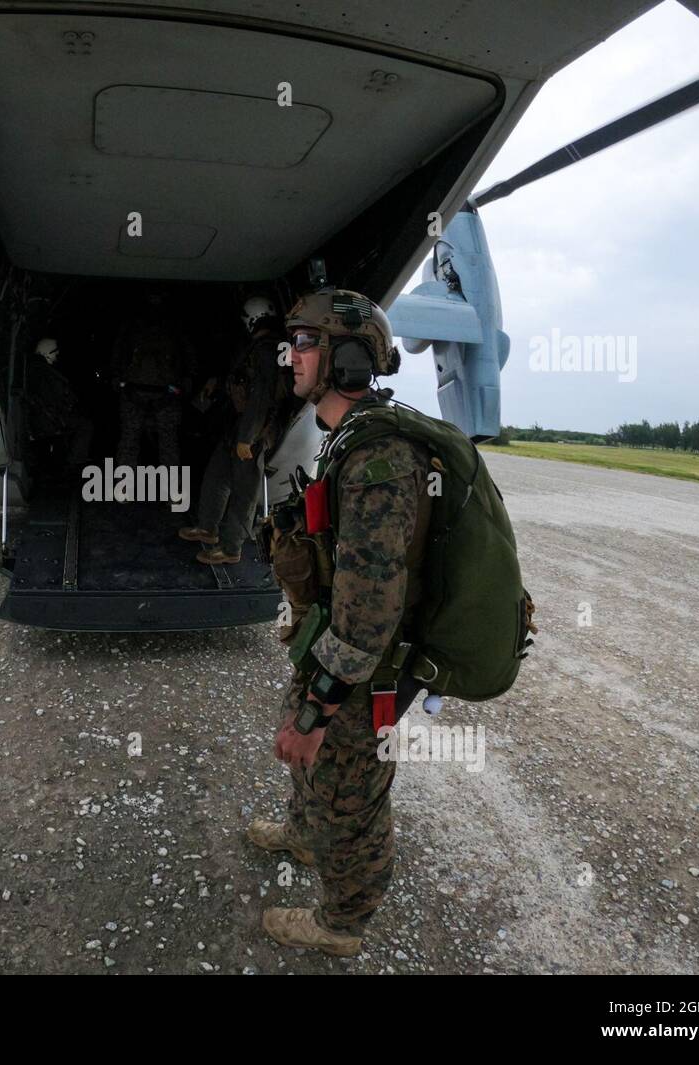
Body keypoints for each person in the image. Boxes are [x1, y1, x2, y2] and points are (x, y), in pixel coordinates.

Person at [246, 289, 432, 957]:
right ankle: (302, 831)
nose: (289, 354)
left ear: (347, 359)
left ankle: (342, 923)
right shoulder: (348, 440)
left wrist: (319, 709)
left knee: (351, 799)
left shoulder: (376, 464)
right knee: (314, 766)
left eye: (304, 342)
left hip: (364, 670)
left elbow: (370, 608)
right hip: (332, 647)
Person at [178, 296, 284, 564]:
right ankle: (208, 528)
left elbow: (261, 398)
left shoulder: (266, 351)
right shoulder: (255, 347)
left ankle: (231, 548)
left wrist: (247, 438)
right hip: (236, 424)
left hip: (254, 430)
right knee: (216, 476)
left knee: (243, 490)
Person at [112, 294, 191, 468]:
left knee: (138, 440)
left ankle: (128, 485)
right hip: (147, 389)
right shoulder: (137, 325)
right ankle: (165, 485)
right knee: (158, 440)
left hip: (157, 390)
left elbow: (187, 357)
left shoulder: (171, 326)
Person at [25, 337, 92, 465]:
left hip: (45, 415)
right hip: (48, 418)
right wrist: (68, 406)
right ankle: (76, 461)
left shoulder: (36, 368)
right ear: (47, 352)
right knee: (85, 425)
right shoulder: (43, 372)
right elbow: (55, 398)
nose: (57, 355)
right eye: (54, 352)